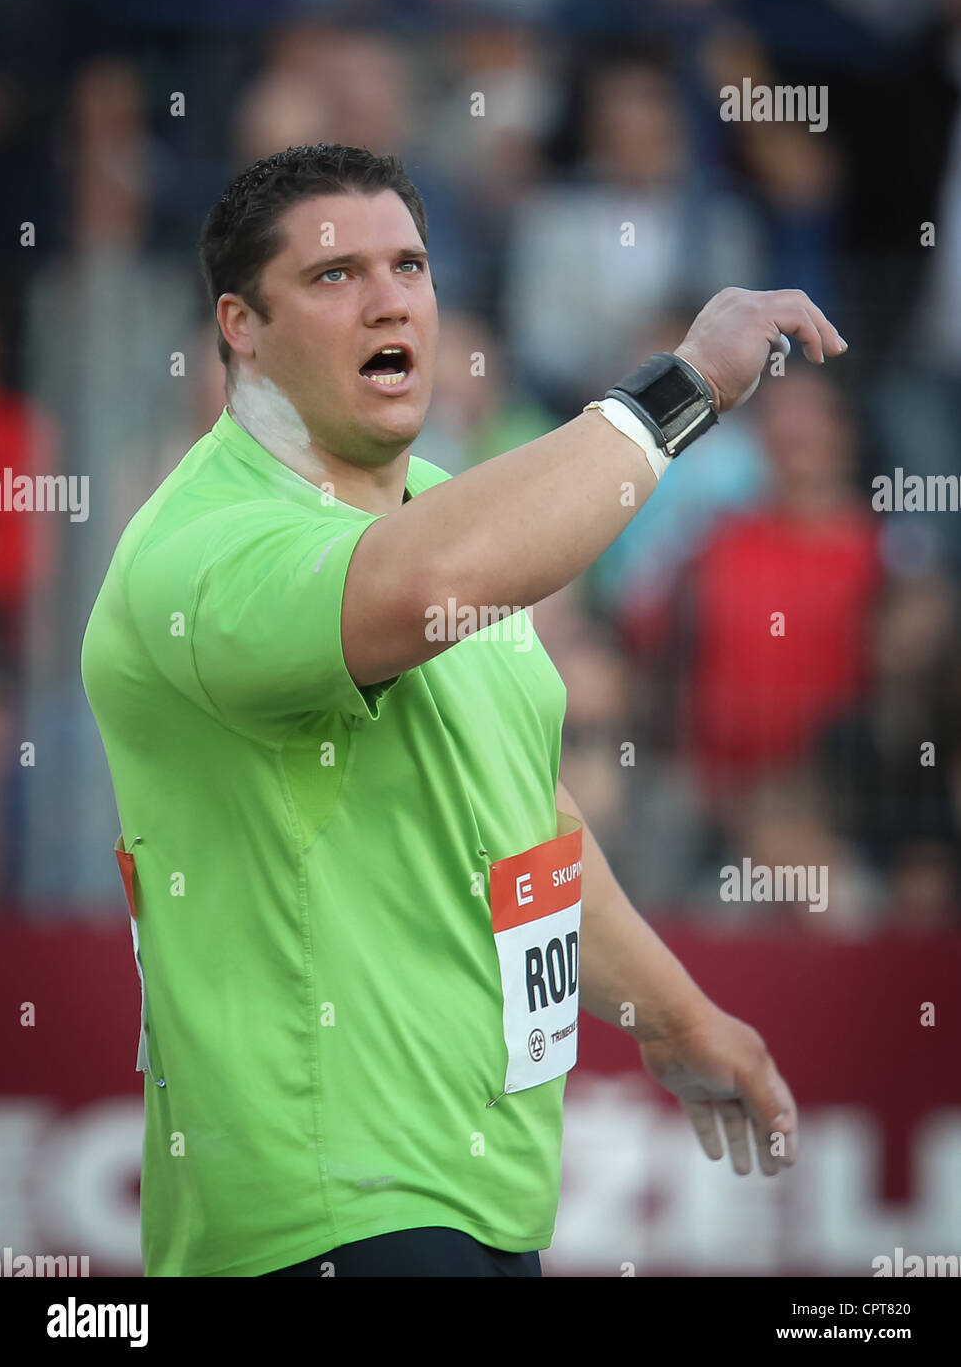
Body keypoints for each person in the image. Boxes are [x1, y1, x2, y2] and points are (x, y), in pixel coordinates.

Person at [80, 143, 845, 1279]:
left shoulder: (447, 513)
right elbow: (428, 586)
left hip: (478, 1201)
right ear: (240, 325)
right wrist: (679, 390)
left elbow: (518, 819)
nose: (390, 298)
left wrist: (675, 1019)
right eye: (336, 276)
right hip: (326, 1215)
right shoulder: (202, 549)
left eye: (410, 265)